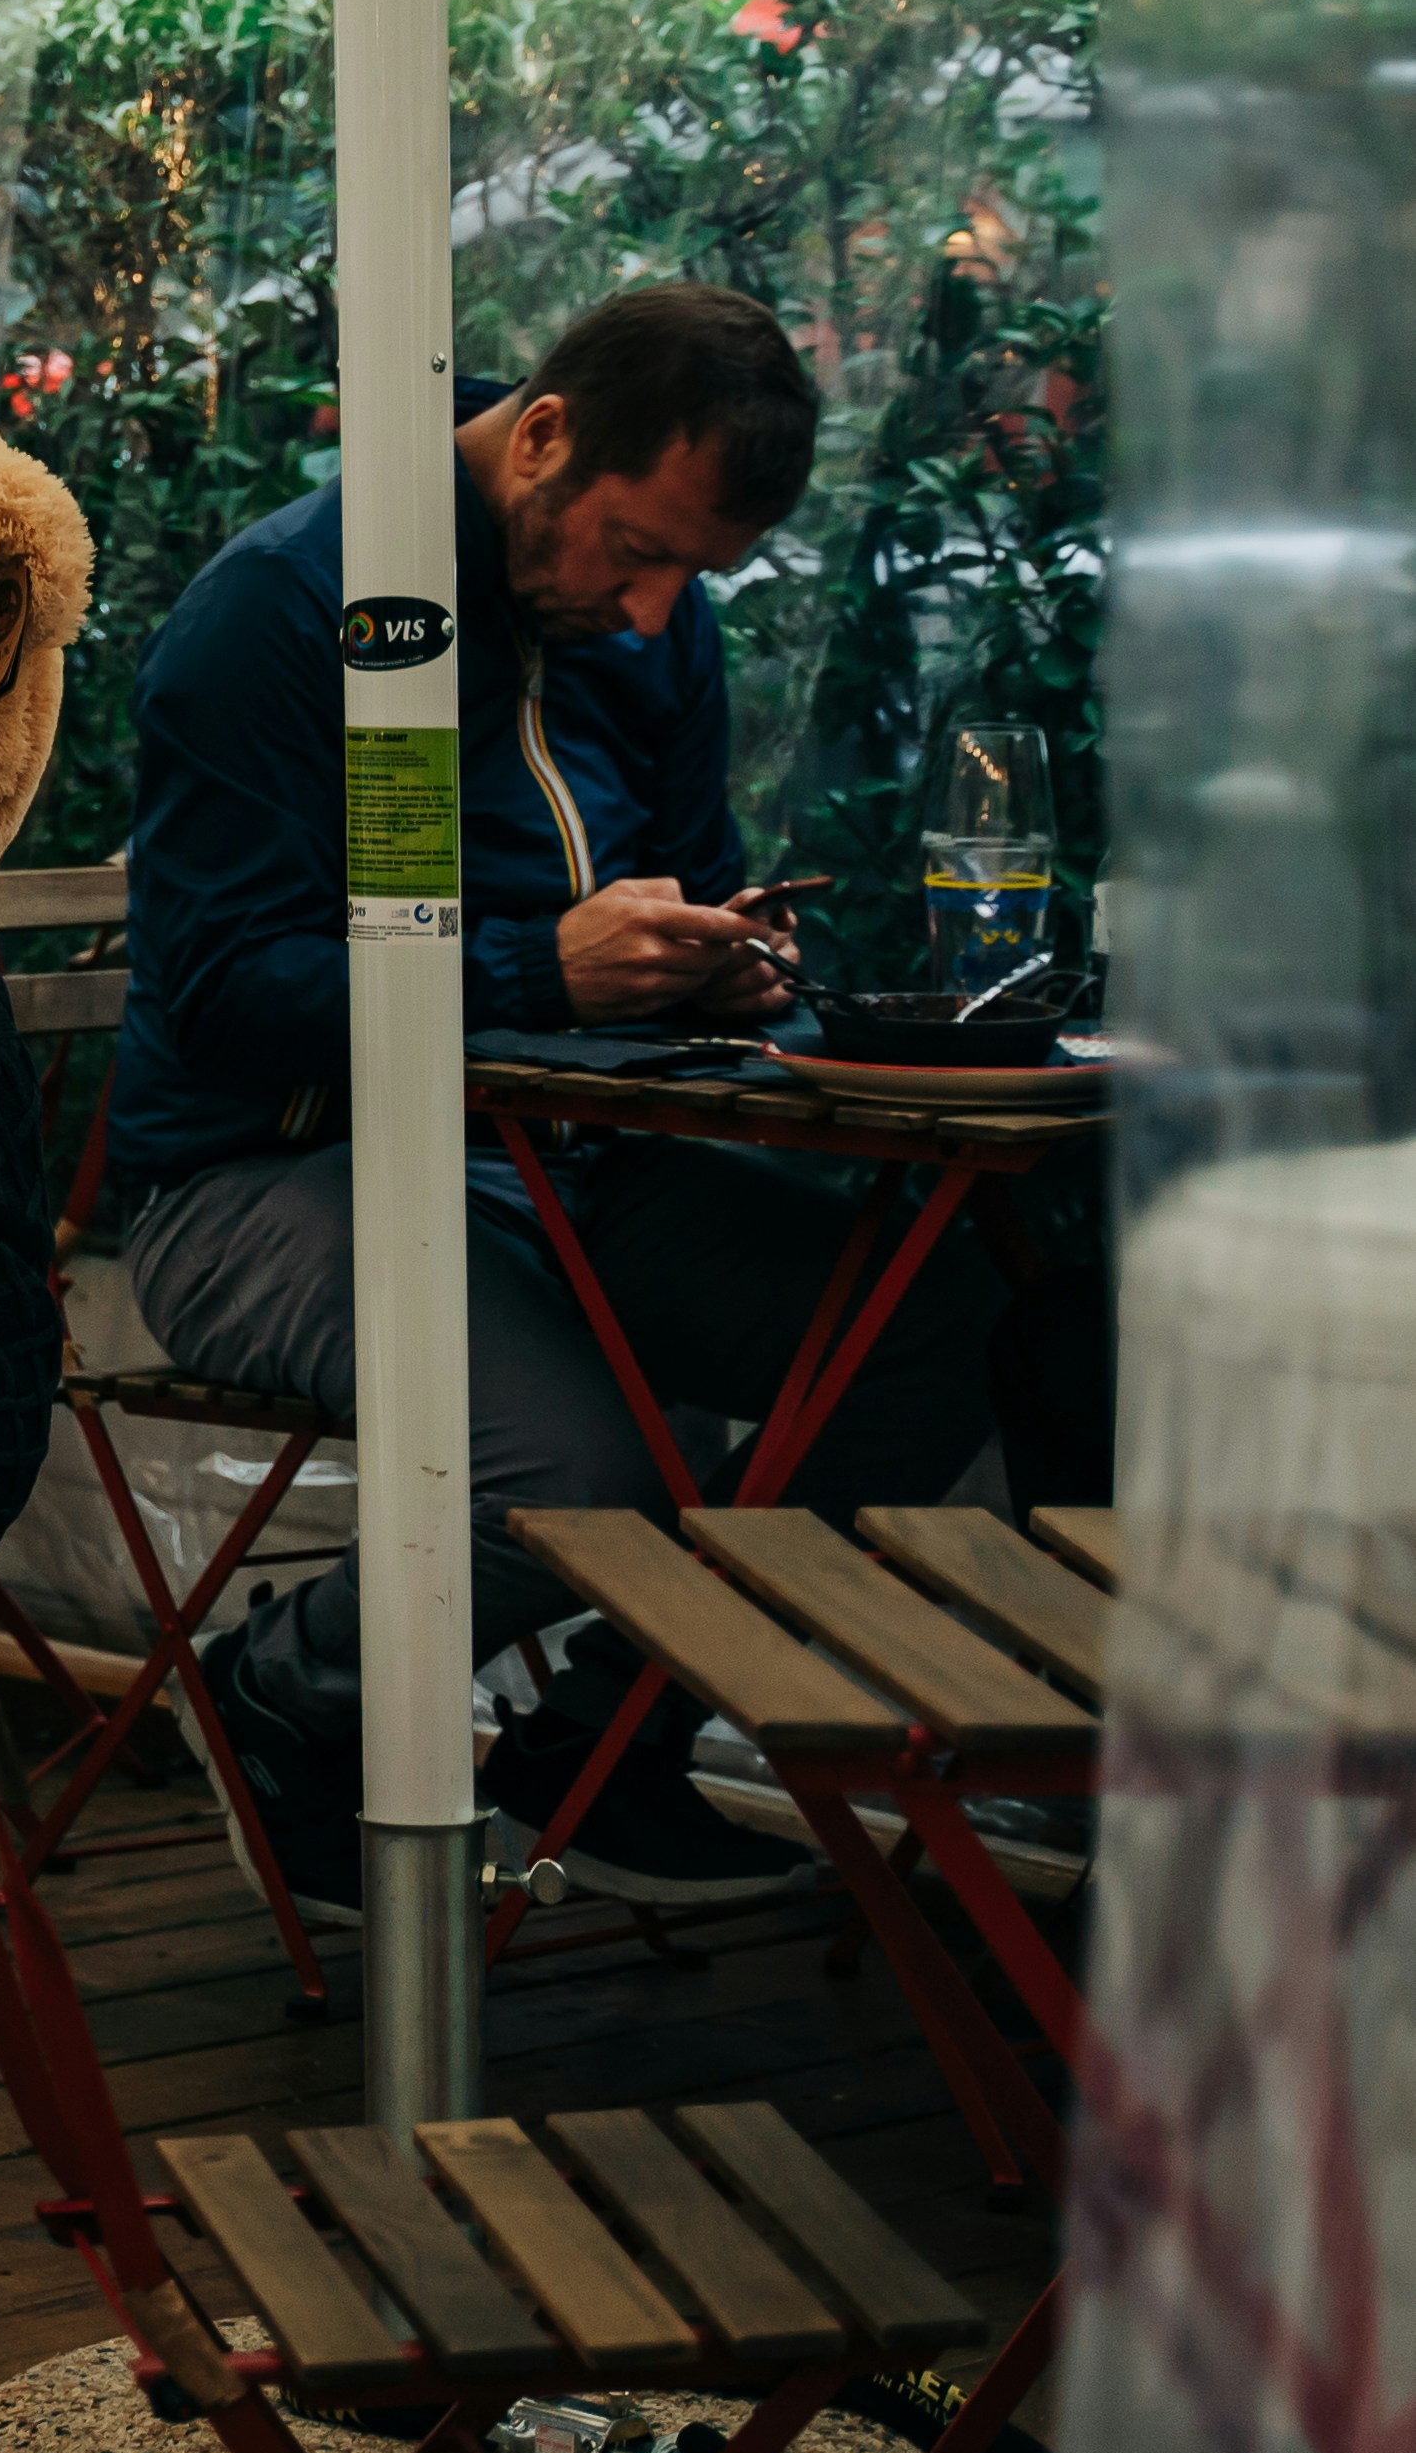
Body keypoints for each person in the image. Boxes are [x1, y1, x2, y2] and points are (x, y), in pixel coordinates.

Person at [108, 280, 1007, 1915]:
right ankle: (273, 1692)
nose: (656, 612)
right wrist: (543, 971)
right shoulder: (285, 611)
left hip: (580, 1160)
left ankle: (600, 1733)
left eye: (696, 577)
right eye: (636, 551)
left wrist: (724, 962)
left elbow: (696, 874)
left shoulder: (649, 628)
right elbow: (234, 996)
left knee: (936, 1319)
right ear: (539, 436)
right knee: (577, 1471)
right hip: (270, 1174)